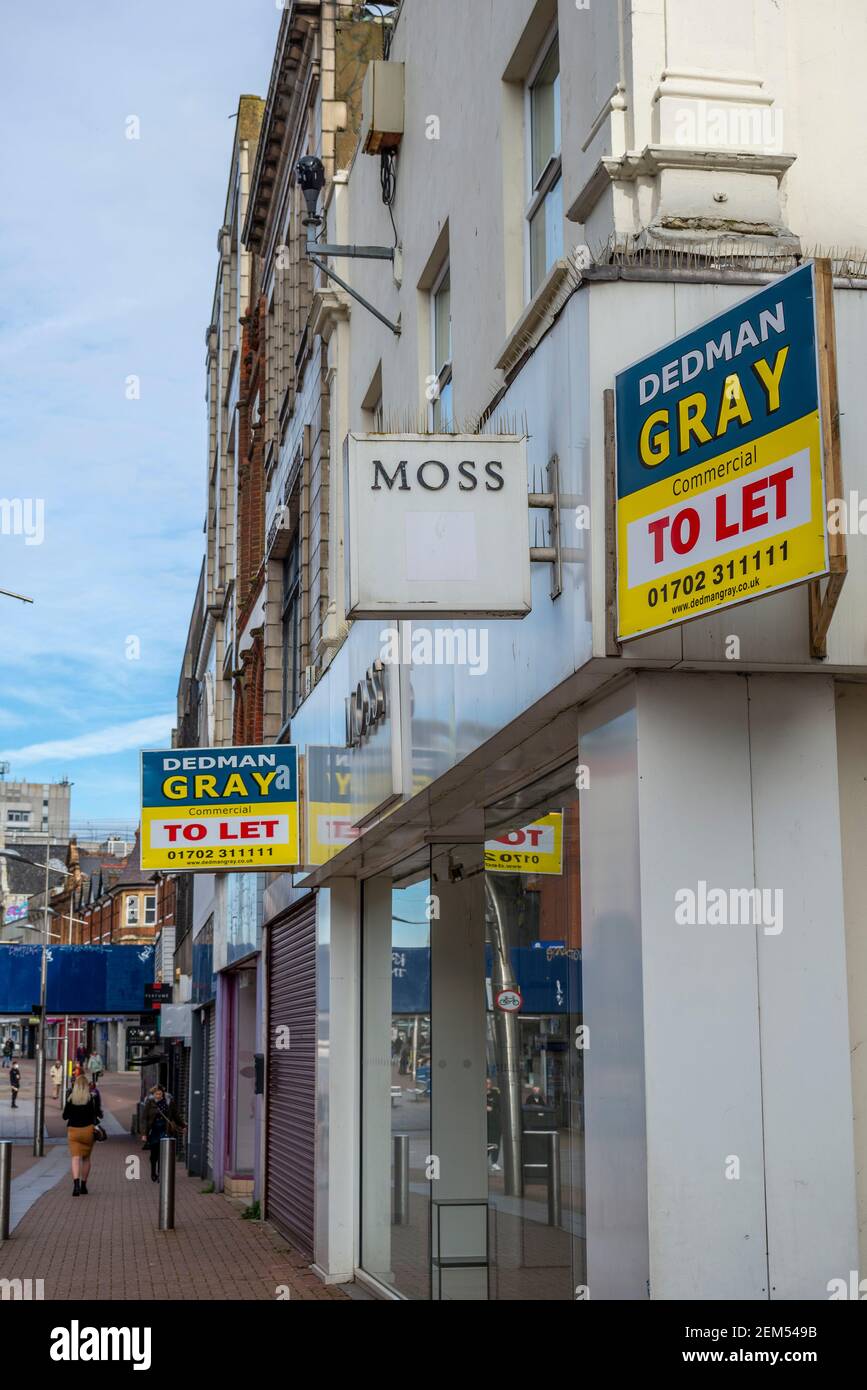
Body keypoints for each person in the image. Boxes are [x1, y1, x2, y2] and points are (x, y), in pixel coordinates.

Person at [62, 1073, 102, 1196]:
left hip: (73, 1130)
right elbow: (97, 1115)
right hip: (88, 1130)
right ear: (87, 1086)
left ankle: (76, 1186)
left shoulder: (71, 1098)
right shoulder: (91, 1098)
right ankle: (84, 1185)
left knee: (75, 1158)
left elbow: (65, 1116)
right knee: (86, 1158)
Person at [141, 1085, 184, 1183]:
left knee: (162, 1153)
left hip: (165, 1130)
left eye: (160, 1094)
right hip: (154, 1130)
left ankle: (161, 1174)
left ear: (163, 1094)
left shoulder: (169, 1103)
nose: (159, 1096)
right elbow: (144, 1119)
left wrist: (182, 1125)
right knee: (153, 1154)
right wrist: (144, 1133)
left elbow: (175, 1115)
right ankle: (153, 1171)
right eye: (157, 1094)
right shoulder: (150, 1103)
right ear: (153, 1094)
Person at [486, 1076, 502, 1172]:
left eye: (489, 1083)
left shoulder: (495, 1094)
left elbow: (499, 1107)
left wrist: (491, 1109)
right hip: (485, 1124)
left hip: (495, 1123)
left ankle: (494, 1163)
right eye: (486, 1083)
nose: (488, 1085)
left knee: (495, 1143)